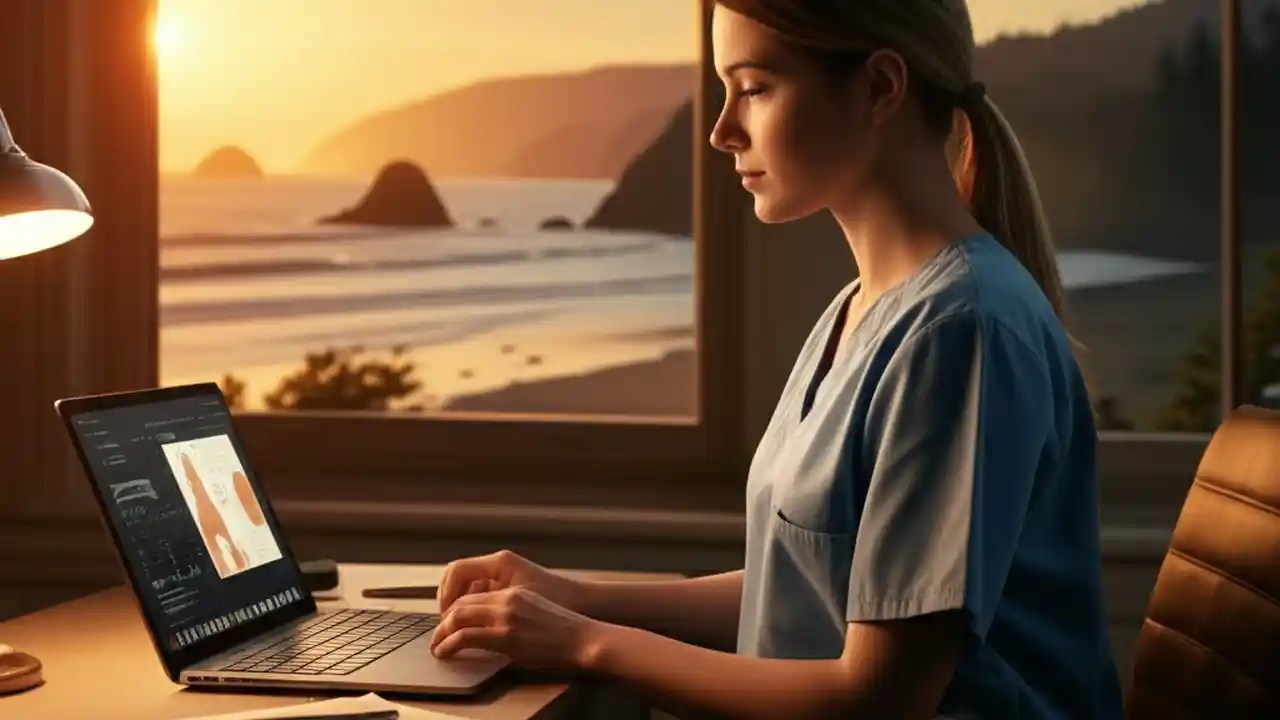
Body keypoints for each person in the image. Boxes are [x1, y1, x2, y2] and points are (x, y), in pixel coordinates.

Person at [427, 1, 1123, 717]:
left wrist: (586, 643)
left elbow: (878, 696)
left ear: (881, 88)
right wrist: (575, 598)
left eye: (754, 87)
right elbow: (806, 596)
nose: (723, 129)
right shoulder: (860, 311)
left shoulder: (961, 331)